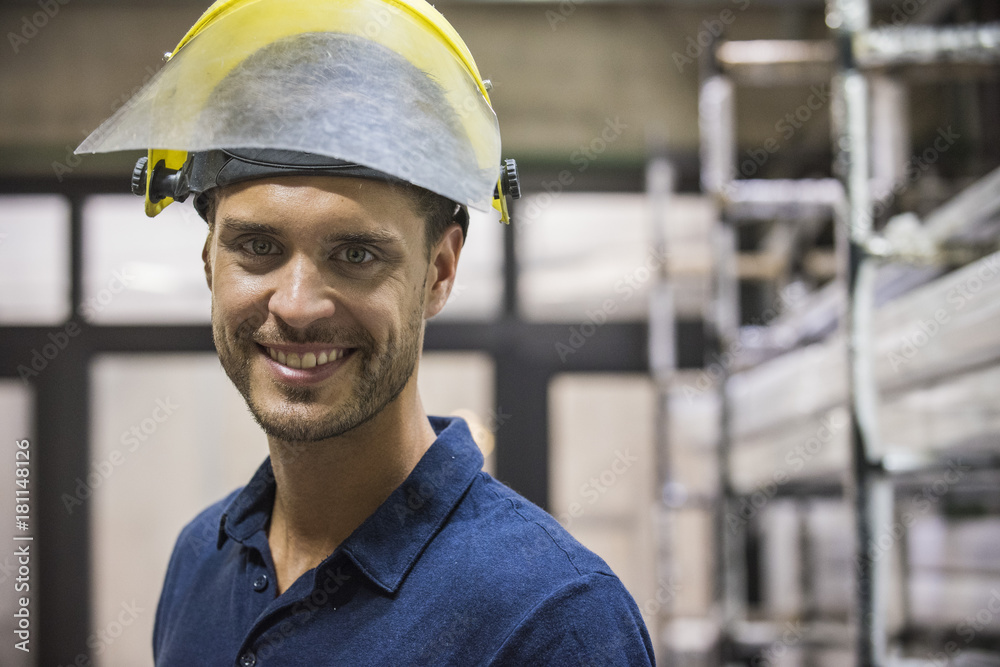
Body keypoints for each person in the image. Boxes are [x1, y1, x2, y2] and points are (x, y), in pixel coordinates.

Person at [78, 0, 656, 664]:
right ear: (210, 259)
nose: (295, 306)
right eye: (258, 246)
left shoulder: (551, 621)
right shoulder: (198, 560)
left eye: (355, 254)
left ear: (439, 271)